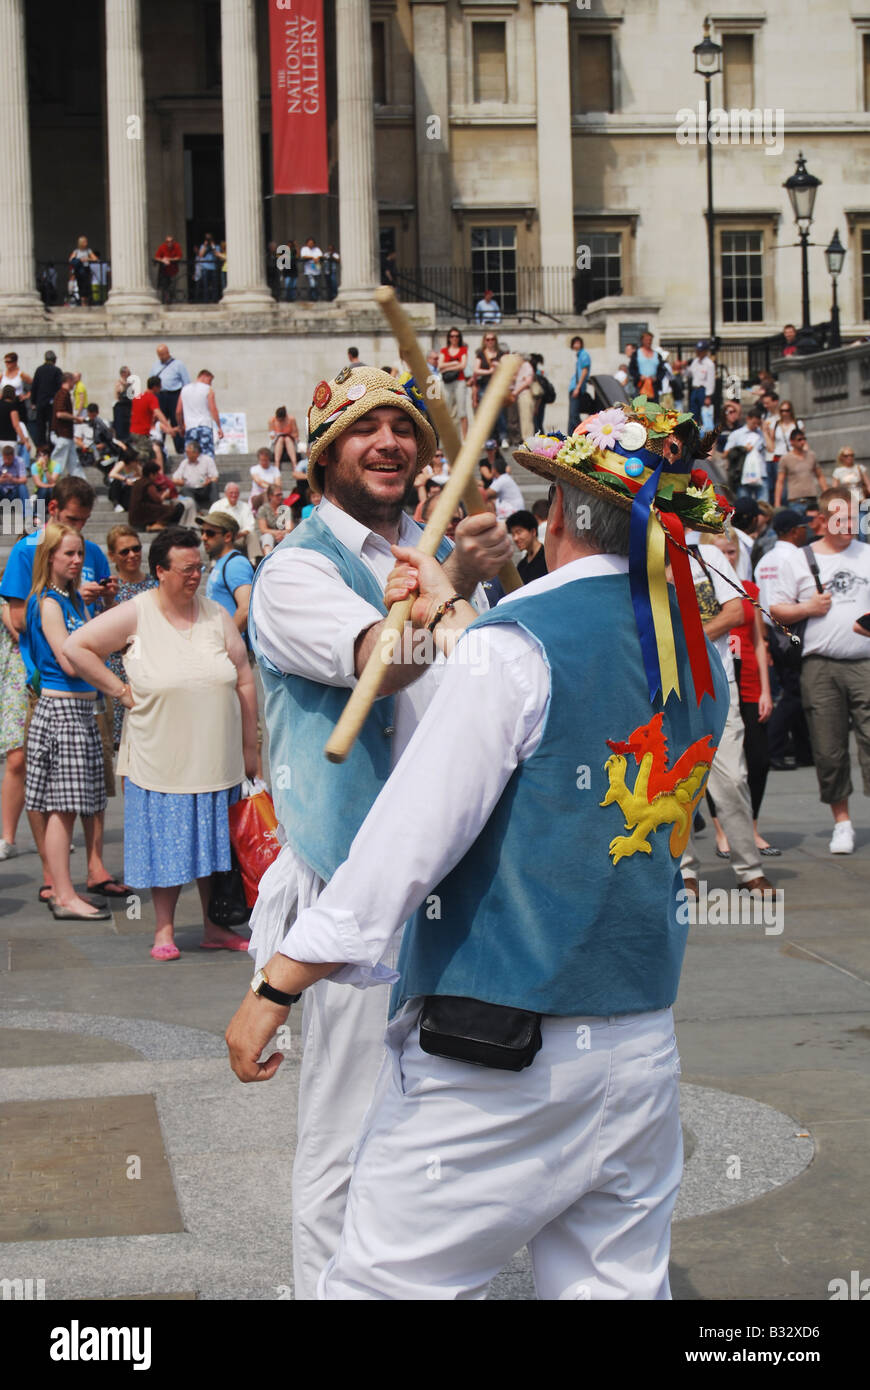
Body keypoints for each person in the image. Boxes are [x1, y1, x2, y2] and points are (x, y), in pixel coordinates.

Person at [225, 396, 732, 1300]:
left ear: (563, 516)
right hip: (639, 1039)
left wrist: (279, 980)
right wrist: (453, 597)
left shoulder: (517, 644)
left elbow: (409, 838)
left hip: (499, 1046)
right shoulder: (697, 651)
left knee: (384, 1287)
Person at [238, 364, 511, 1298]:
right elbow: (378, 666)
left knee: (445, 1126)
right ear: (324, 456)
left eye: (405, 428)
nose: (391, 443)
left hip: (454, 890)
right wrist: (449, 589)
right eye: (365, 430)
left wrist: (475, 593)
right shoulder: (297, 569)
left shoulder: (427, 561)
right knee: (346, 1136)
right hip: (352, 891)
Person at [64, 527, 258, 959]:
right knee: (167, 847)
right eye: (187, 569)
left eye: (200, 568)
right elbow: (77, 646)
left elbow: (244, 675)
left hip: (217, 755)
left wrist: (251, 746)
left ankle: (216, 925)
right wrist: (120, 691)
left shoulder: (215, 614)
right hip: (160, 754)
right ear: (161, 572)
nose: (195, 576)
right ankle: (164, 930)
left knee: (215, 848)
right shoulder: (137, 612)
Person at [769, 488, 870, 854]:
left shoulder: (868, 554)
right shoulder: (798, 559)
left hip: (865, 661)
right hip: (819, 664)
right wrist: (809, 608)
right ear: (823, 521)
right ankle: (841, 822)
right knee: (828, 748)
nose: (849, 527)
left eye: (854, 519)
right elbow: (776, 610)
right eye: (841, 520)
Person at [23, 523, 110, 920]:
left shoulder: (67, 599)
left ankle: (64, 890)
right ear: (51, 558)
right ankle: (63, 893)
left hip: (75, 710)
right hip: (63, 711)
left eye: (80, 554)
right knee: (63, 809)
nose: (78, 561)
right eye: (69, 554)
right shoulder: (49, 602)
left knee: (68, 806)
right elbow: (68, 658)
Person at [708, 529, 776, 856]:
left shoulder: (750, 590)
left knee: (758, 759)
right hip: (718, 675)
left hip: (749, 678)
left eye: (732, 552)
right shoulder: (703, 587)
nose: (728, 558)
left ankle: (751, 827)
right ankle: (721, 830)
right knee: (717, 760)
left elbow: (760, 642)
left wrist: (766, 689)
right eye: (722, 551)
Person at [755, 509, 815, 771]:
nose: (806, 532)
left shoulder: (765, 560)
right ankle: (773, 748)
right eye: (803, 527)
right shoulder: (798, 558)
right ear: (793, 531)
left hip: (771, 631)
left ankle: (805, 751)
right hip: (792, 630)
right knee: (795, 694)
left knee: (796, 690)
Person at [104, 526, 156, 747]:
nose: (132, 555)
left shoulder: (156, 585)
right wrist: (108, 602)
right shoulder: (108, 589)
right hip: (120, 672)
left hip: (152, 668)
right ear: (112, 556)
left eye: (136, 548)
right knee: (123, 747)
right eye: (124, 551)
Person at [199, 510, 255, 638]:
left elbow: (246, 609)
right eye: (202, 532)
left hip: (234, 649)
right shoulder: (222, 562)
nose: (203, 537)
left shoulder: (236, 564)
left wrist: (224, 642)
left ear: (228, 537)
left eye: (210, 533)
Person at [129, 458, 195, 531]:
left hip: (135, 514)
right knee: (172, 509)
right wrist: (165, 495)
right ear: (151, 474)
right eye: (156, 474)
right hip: (142, 513)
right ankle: (157, 524)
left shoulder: (138, 482)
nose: (158, 476)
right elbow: (158, 500)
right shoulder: (148, 484)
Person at [150, 344, 191, 454]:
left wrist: (184, 399)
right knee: (160, 423)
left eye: (163, 354)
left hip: (175, 395)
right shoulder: (155, 366)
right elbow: (151, 382)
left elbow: (186, 382)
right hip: (160, 395)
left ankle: (180, 448)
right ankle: (159, 448)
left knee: (176, 421)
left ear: (168, 352)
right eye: (160, 355)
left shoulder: (178, 364)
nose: (162, 357)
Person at [774, 429, 827, 511]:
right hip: (795, 501)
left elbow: (820, 476)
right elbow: (780, 482)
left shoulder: (812, 455)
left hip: (812, 499)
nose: (802, 442)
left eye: (804, 439)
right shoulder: (785, 459)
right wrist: (777, 503)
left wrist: (827, 495)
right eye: (799, 439)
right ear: (792, 442)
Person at [176, 368, 221, 458]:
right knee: (207, 456)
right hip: (205, 426)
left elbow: (178, 411)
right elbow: (213, 409)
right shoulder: (208, 389)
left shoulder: (184, 389)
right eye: (210, 380)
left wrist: (181, 426)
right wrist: (219, 426)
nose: (210, 383)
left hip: (190, 427)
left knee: (191, 456)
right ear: (204, 376)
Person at [128, 377, 174, 467]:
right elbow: (158, 413)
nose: (160, 389)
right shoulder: (151, 398)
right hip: (141, 433)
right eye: (160, 387)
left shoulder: (137, 397)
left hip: (132, 431)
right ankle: (141, 478)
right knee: (143, 458)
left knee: (152, 456)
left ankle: (156, 477)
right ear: (155, 387)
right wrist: (169, 427)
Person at [831, 446, 870, 542]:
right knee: (848, 531)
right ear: (841, 457)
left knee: (862, 533)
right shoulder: (838, 471)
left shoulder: (859, 468)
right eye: (847, 455)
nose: (850, 458)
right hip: (846, 505)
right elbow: (834, 489)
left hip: (860, 502)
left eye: (852, 455)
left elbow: (868, 485)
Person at [50, 372, 84, 479]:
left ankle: (82, 486)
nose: (74, 383)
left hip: (66, 434)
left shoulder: (63, 394)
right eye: (73, 380)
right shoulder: (63, 394)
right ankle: (47, 487)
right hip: (62, 434)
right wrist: (76, 418)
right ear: (69, 380)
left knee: (74, 464)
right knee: (57, 463)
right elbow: (60, 414)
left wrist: (73, 420)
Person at [437, 328, 468, 439]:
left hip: (459, 381)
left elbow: (463, 365)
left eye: (456, 336)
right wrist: (455, 363)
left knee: (462, 412)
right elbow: (440, 366)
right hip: (447, 382)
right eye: (452, 336)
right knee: (448, 411)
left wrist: (448, 366)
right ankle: (449, 437)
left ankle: (464, 438)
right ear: (448, 338)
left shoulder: (463, 349)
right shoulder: (444, 350)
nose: (454, 338)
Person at [218, 481, 261, 562]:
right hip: (223, 537)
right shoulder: (217, 506)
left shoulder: (244, 506)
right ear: (226, 493)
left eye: (236, 493)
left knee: (252, 535)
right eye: (231, 493)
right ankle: (214, 564)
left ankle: (254, 561)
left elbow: (250, 525)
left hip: (239, 537)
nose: (234, 495)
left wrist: (241, 534)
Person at [172, 440, 218, 511]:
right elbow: (174, 478)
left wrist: (208, 481)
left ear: (195, 453)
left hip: (204, 488)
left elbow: (215, 477)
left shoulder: (207, 460)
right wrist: (179, 481)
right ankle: (197, 510)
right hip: (191, 490)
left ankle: (216, 508)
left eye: (188, 452)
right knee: (184, 490)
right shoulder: (184, 463)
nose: (186, 454)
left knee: (213, 484)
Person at [30, 350, 63, 449]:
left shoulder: (39, 370)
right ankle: (51, 446)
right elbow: (59, 388)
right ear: (54, 360)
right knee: (52, 426)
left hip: (40, 402)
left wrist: (33, 402)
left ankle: (41, 446)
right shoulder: (57, 371)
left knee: (41, 426)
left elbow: (34, 386)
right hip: (52, 403)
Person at [507, 508, 547, 584]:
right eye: (513, 534)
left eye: (519, 532)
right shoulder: (521, 566)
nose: (515, 538)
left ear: (533, 531)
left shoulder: (547, 558)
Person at [481, 453, 525, 521]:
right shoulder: (505, 477)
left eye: (492, 468)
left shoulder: (502, 479)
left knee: (488, 503)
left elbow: (486, 495)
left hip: (514, 511)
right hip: (515, 509)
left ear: (495, 469)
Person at [628, 330, 665, 403]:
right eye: (646, 340)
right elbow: (631, 369)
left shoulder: (657, 355)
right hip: (640, 385)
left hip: (654, 386)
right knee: (640, 408)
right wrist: (639, 376)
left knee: (654, 409)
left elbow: (662, 370)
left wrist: (657, 378)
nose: (649, 342)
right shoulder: (636, 354)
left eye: (650, 340)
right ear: (642, 340)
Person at [568, 335, 593, 434]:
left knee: (574, 416)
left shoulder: (584, 355)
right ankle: (569, 437)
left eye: (578, 342)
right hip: (574, 387)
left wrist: (578, 387)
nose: (576, 345)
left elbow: (584, 371)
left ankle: (584, 433)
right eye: (575, 342)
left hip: (576, 388)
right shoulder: (579, 355)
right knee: (571, 416)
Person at [688, 341, 716, 424]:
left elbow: (710, 381)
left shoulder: (709, 364)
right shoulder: (695, 361)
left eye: (700, 351)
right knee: (693, 413)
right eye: (697, 350)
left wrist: (708, 396)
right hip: (695, 389)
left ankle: (707, 433)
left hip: (703, 391)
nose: (698, 352)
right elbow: (690, 373)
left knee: (705, 414)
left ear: (705, 351)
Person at [256, 482, 289, 551]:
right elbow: (263, 529)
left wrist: (281, 534)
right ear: (270, 496)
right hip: (267, 534)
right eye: (277, 495)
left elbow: (289, 528)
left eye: (281, 494)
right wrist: (276, 533)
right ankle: (268, 559)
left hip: (282, 534)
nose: (280, 497)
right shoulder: (263, 509)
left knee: (288, 536)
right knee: (268, 537)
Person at [68, 236, 98, 307]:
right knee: (81, 286)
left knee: (86, 286)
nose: (86, 243)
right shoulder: (76, 251)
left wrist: (87, 259)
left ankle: (86, 302)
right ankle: (82, 302)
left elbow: (95, 259)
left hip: (86, 270)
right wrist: (80, 260)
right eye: (85, 241)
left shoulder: (88, 251)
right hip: (79, 270)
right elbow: (70, 260)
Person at [154, 236, 183, 303]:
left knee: (172, 285)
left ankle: (170, 299)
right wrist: (163, 260)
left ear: (173, 242)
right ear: (166, 242)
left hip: (173, 270)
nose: (169, 243)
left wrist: (169, 259)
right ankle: (166, 299)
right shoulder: (162, 247)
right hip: (164, 270)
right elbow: (156, 257)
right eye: (167, 242)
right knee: (164, 285)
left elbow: (179, 257)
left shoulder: (176, 246)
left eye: (171, 241)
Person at [196, 234, 220, 302]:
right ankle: (206, 300)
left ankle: (214, 299)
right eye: (207, 239)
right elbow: (201, 255)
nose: (209, 241)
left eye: (210, 239)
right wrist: (205, 246)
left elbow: (217, 255)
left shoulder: (217, 246)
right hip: (205, 268)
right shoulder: (203, 246)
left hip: (213, 268)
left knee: (214, 286)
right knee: (205, 285)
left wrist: (213, 246)